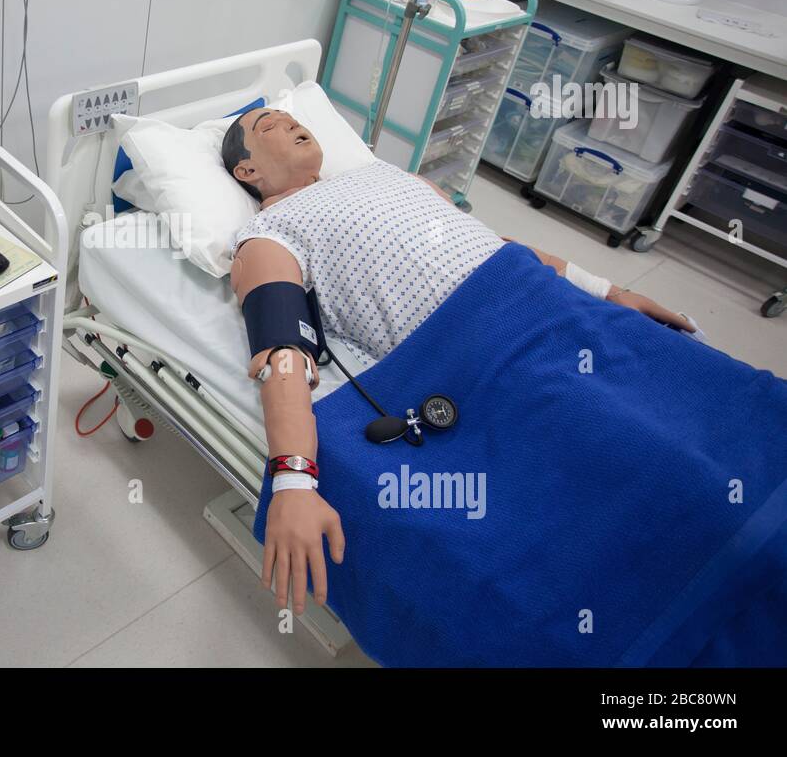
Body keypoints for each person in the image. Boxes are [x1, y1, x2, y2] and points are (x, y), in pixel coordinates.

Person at [220, 106, 695, 614]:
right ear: (247, 172)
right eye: (269, 126)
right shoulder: (270, 233)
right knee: (645, 472)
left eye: (293, 115)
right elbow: (283, 351)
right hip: (487, 348)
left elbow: (495, 244)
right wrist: (293, 482)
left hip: (555, 305)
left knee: (693, 407)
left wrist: (607, 290)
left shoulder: (388, 175)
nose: (292, 122)